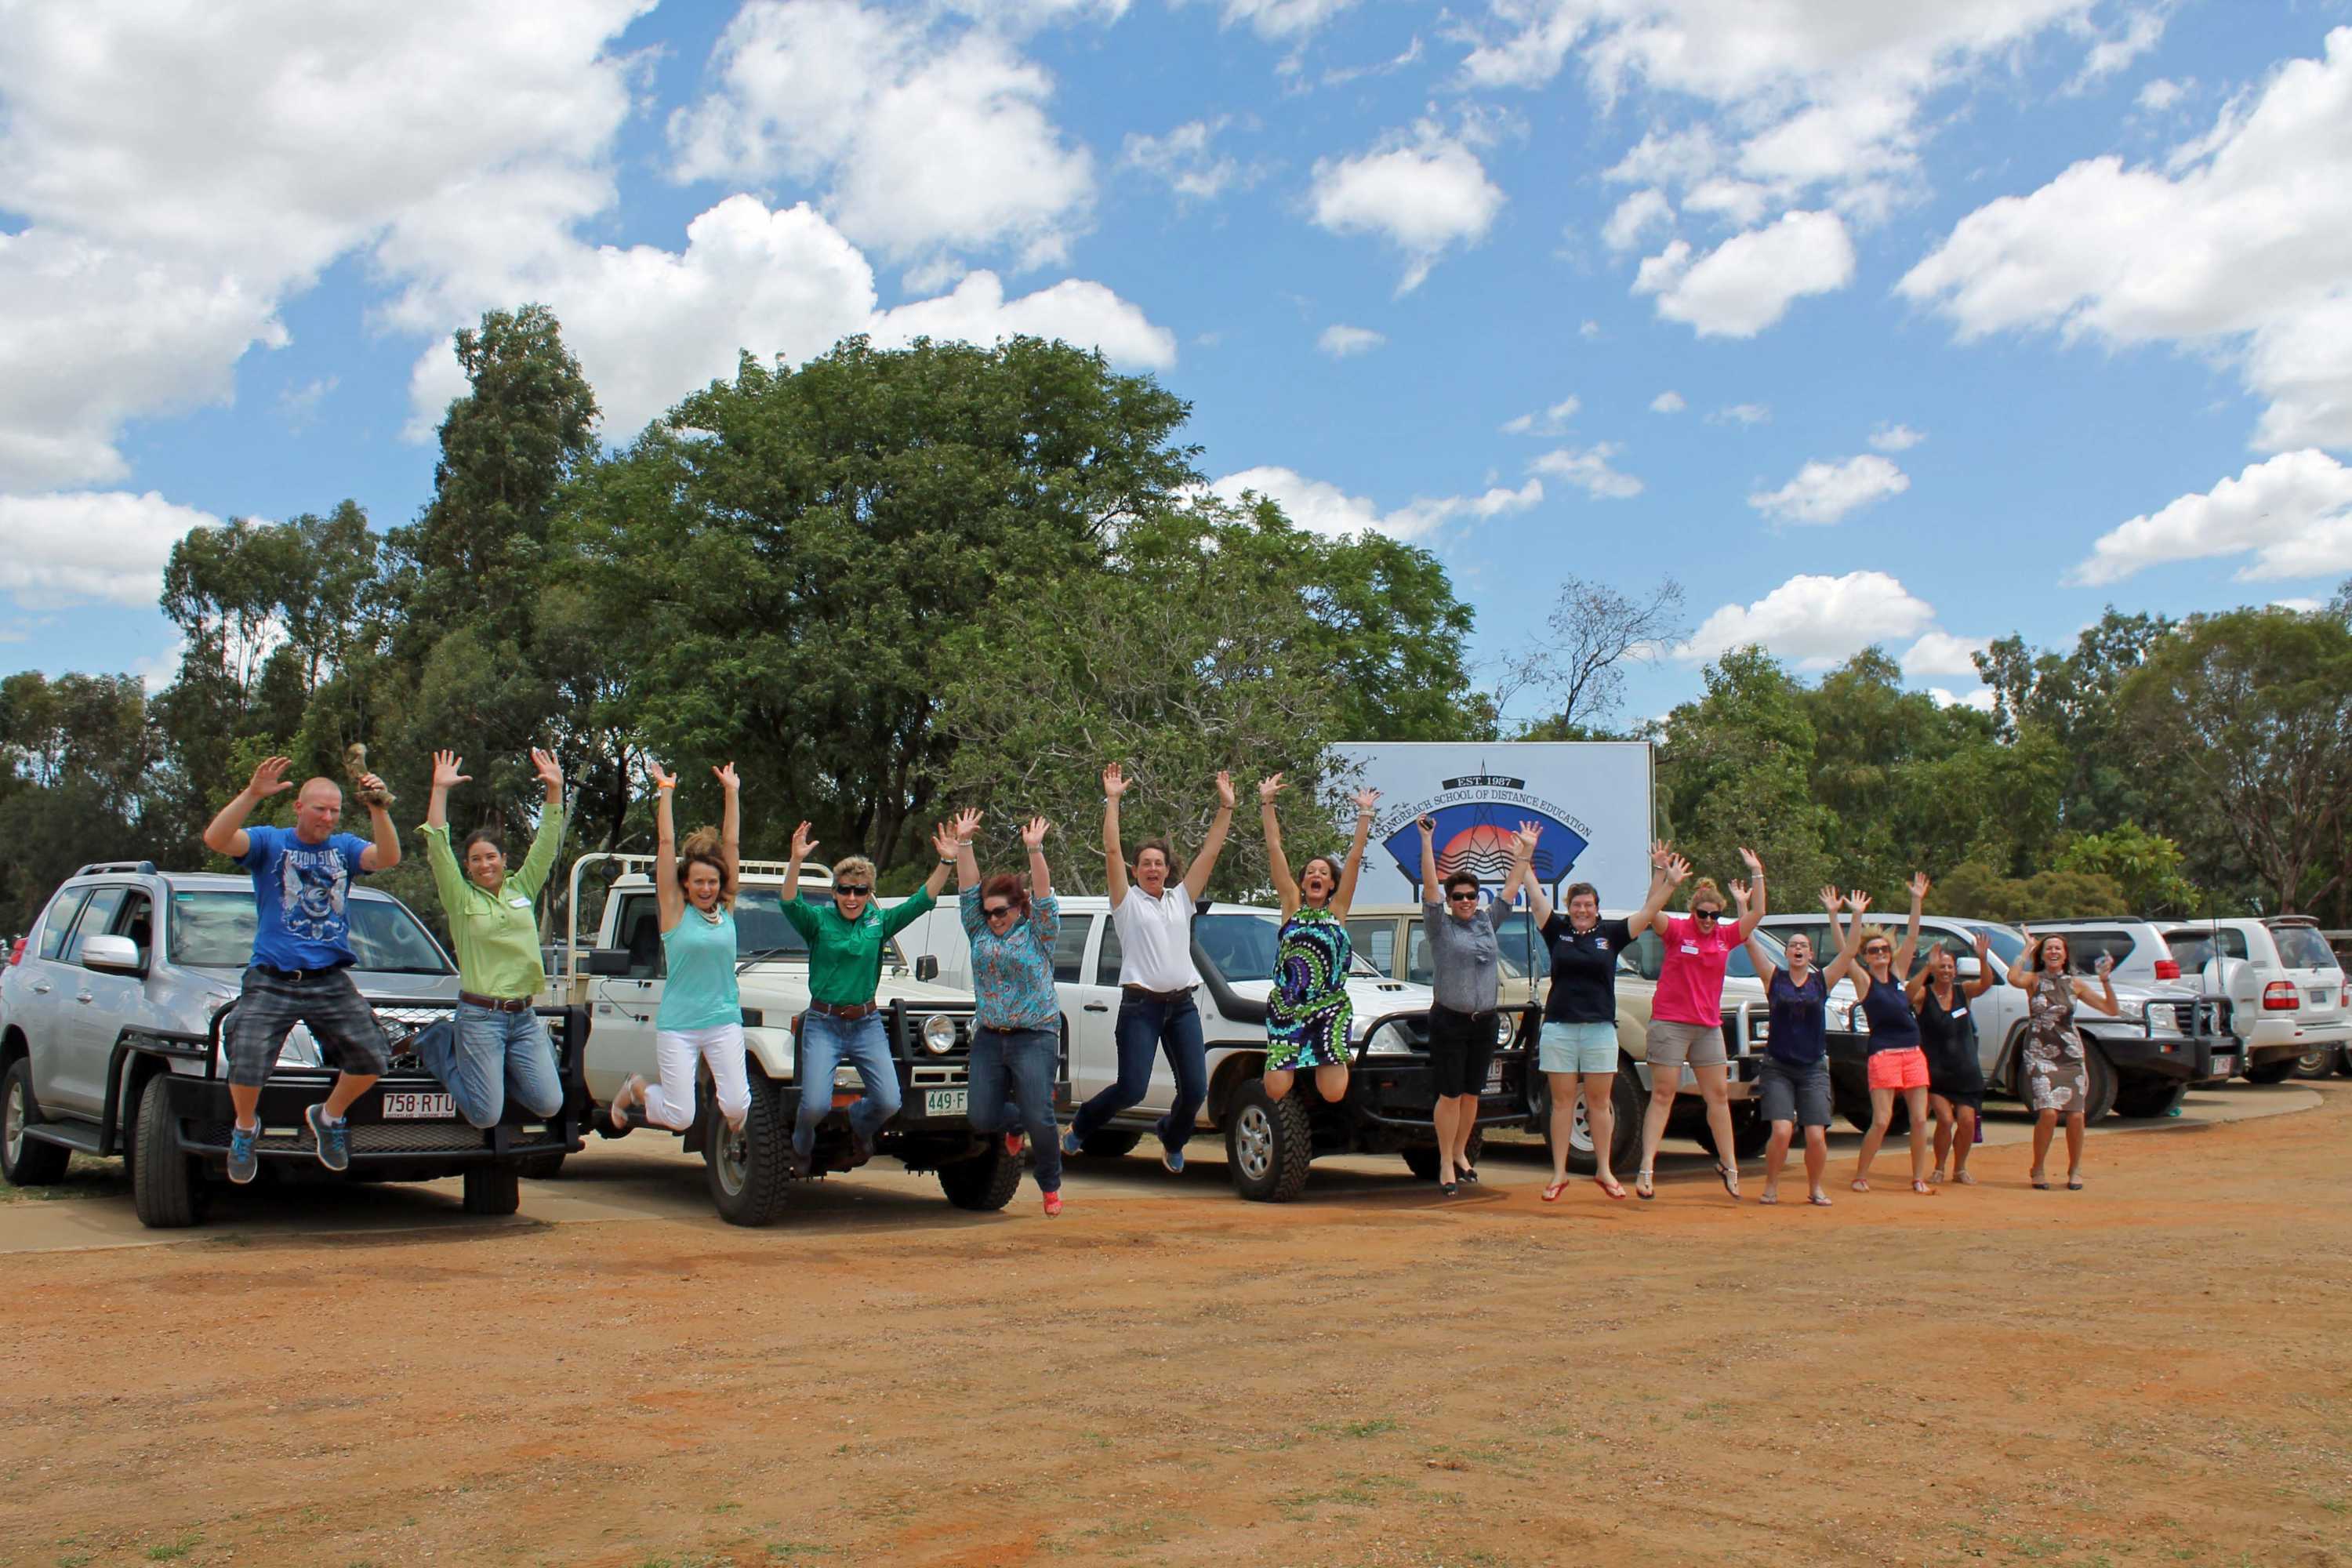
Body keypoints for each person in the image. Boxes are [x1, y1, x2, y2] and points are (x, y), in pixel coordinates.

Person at [200, 754, 403, 1183]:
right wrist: (253, 793)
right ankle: (244, 1128)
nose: (327, 818)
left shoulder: (344, 848)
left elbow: (388, 857)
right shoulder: (270, 843)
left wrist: (378, 808)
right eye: (319, 809)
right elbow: (217, 839)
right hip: (273, 976)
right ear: (299, 808)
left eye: (334, 810)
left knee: (372, 1055)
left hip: (328, 977)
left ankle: (329, 1118)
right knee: (248, 1053)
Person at [1064, 764, 1236, 1174]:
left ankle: (1171, 1137)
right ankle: (1082, 1125)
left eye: (1159, 863)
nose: (1153, 869)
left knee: (1196, 1089)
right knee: (1131, 1088)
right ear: (1136, 870)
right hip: (1140, 1007)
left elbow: (1210, 853)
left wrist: (1226, 808)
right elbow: (1110, 851)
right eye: (1145, 863)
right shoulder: (1127, 903)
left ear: (1167, 868)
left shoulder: (1181, 899)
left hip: (1182, 1007)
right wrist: (1112, 801)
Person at [779, 815, 958, 1174]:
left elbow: (922, 901)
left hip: (866, 1023)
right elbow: (789, 902)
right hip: (824, 1022)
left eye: (860, 891)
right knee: (814, 1105)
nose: (852, 897)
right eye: (845, 890)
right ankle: (801, 1143)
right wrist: (796, 860)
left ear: (869, 894)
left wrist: (947, 861)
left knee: (889, 1101)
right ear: (834, 892)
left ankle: (858, 1124)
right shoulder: (817, 921)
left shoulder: (878, 923)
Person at [414, 748, 568, 1130]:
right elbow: (437, 843)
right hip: (480, 1018)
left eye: (491, 856)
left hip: (524, 1017)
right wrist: (440, 789)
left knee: (549, 1104)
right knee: (485, 1115)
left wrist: (555, 790)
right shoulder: (461, 897)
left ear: (504, 859)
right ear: (467, 866)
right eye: (476, 859)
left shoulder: (522, 889)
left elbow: (547, 843)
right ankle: (437, 1045)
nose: (485, 864)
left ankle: (493, 1073)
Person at [1521, 837, 1679, 1203]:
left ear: (1597, 908)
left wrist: (1666, 878)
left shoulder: (1611, 934)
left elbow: (1649, 911)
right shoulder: (1555, 929)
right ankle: (1559, 1173)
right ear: (1569, 907)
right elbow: (1533, 893)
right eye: (1577, 904)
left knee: (1599, 1101)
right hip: (1560, 1028)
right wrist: (1526, 858)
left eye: (1588, 905)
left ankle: (1604, 1170)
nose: (1582, 910)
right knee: (1561, 1103)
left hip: (1600, 1030)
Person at [607, 762, 751, 1142]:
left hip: (723, 1020)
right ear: (686, 885)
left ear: (721, 885)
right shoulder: (674, 914)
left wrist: (732, 793)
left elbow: (732, 844)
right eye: (698, 882)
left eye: (712, 882)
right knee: (681, 1117)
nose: (706, 888)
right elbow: (667, 845)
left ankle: (734, 1115)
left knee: (737, 1107)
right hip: (680, 1025)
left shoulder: (726, 911)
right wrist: (666, 789)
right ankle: (637, 1088)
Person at [1631, 847, 1766, 1201]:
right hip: (1671, 1023)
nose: (1708, 920)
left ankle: (1730, 1165)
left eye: (1714, 915)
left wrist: (1757, 872)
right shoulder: (1677, 930)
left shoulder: (1724, 937)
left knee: (1719, 1096)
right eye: (1703, 914)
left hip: (1707, 1026)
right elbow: (1651, 911)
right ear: (1693, 911)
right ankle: (1646, 1168)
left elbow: (1759, 913)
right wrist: (1663, 875)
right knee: (1663, 1094)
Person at [950, 811, 1067, 1217]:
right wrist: (964, 843)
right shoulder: (979, 929)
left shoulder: (1039, 933)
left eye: (1001, 911)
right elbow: (967, 889)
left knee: (1042, 1115)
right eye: (989, 913)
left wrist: (1034, 850)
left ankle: (1050, 1185)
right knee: (981, 1116)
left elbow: (1045, 893)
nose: (994, 919)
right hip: (989, 1036)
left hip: (1034, 1036)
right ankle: (1013, 1123)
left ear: (1018, 907)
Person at [1415, 813, 1531, 1196]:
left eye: (1470, 896)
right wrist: (1427, 841)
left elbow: (1511, 890)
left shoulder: (1486, 921)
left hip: (1484, 1023)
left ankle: (1462, 1153)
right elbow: (1431, 887)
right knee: (1449, 1094)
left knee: (1472, 1094)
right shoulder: (1440, 926)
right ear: (1449, 902)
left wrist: (1524, 853)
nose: (1465, 902)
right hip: (1450, 1020)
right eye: (1458, 897)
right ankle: (1446, 1160)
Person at [1257, 774, 1379, 1108]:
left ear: (1331, 885)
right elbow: (1274, 849)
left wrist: (1365, 815)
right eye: (1311, 871)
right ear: (1303, 880)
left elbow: (1353, 858)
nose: (1316, 875)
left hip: (1328, 1004)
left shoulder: (1338, 911)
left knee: (1334, 1092)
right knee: (1275, 1088)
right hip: (1288, 1003)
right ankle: (1293, 1063)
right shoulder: (1291, 907)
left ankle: (1327, 1059)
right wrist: (1267, 803)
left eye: (1323, 873)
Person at [1741, 885, 1867, 1207]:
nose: (1798, 949)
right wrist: (1743, 905)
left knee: (1815, 1134)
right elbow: (1749, 939)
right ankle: (1771, 1185)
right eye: (1793, 945)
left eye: (1804, 946)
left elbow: (1850, 951)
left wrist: (1851, 914)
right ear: (1787, 953)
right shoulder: (1774, 978)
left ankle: (1815, 1188)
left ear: (1811, 955)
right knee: (1782, 1131)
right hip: (1779, 1067)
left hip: (1812, 1067)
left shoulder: (1821, 980)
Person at [2007, 931, 2122, 1190]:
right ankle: (2038, 1168)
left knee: (2076, 1116)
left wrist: (2106, 981)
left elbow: (2111, 1010)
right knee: (2048, 1113)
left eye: (2058, 948)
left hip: (2070, 1055)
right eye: (2049, 948)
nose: (2054, 952)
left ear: (2065, 954)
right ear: (2043, 954)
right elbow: (2013, 978)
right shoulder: (2033, 980)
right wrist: (2026, 948)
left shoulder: (2075, 984)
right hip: (2039, 1053)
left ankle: (2075, 1168)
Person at [1847, 873, 1936, 1195]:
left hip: (1913, 1052)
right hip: (1883, 1053)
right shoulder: (1865, 981)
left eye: (1884, 949)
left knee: (1919, 1121)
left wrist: (1916, 899)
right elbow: (1846, 951)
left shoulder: (1898, 974)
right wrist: (1854, 916)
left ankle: (1917, 1178)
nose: (1880, 953)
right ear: (1866, 956)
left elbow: (1912, 936)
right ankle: (1860, 1174)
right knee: (1882, 1120)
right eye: (1873, 951)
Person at [1912, 931, 1999, 1185]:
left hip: (1966, 1072)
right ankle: (1939, 1166)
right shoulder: (1924, 996)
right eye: (1942, 966)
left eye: (1950, 966)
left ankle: (1960, 1168)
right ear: (1934, 969)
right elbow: (1907, 994)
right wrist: (1925, 967)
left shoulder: (1964, 992)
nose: (1947, 971)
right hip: (1936, 1073)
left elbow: (1986, 983)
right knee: (1945, 1119)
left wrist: (1982, 958)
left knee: (1966, 1120)